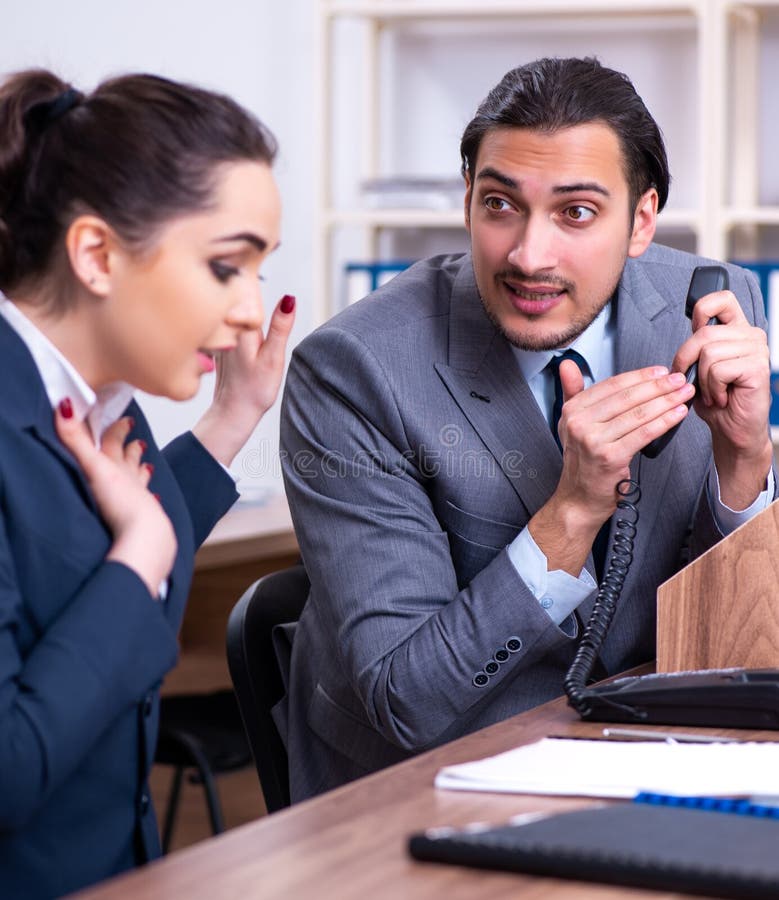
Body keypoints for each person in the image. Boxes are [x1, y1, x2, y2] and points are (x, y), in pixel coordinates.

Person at [278, 56, 776, 802]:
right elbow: (402, 700)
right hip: (425, 783)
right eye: (499, 204)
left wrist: (745, 461)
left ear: (641, 220)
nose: (527, 255)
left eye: (575, 212)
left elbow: (720, 634)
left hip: (647, 751)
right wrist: (571, 511)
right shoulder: (353, 370)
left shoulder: (707, 300)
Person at [0, 69, 295, 898]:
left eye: (260, 272)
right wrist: (141, 555)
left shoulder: (105, 404)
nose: (250, 310)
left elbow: (70, 555)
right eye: (226, 267)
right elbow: (11, 774)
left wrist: (232, 416)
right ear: (96, 254)